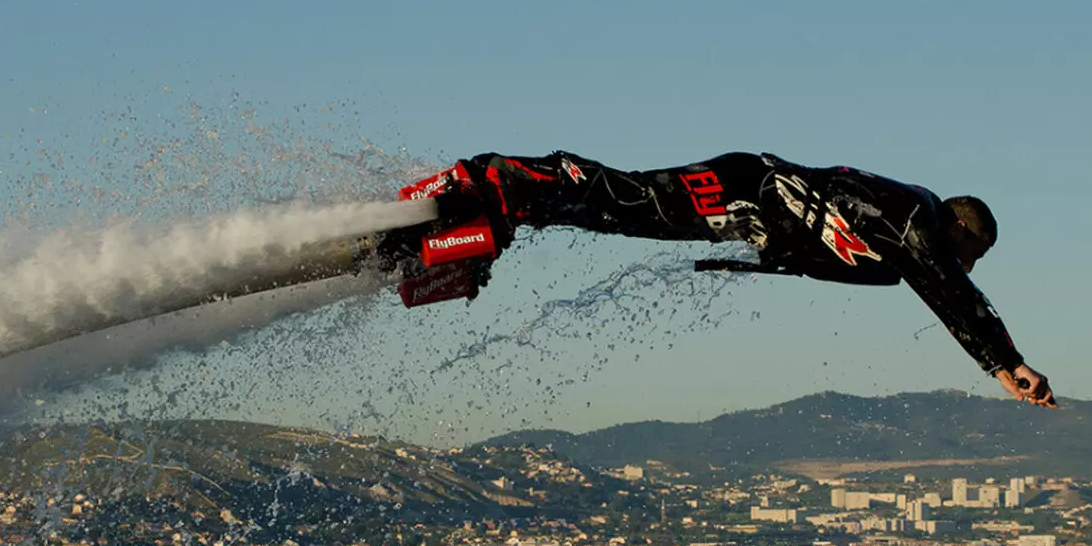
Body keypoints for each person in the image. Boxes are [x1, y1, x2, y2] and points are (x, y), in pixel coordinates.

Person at [428, 150, 1057, 408]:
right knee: (631, 200)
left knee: (622, 220)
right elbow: (949, 290)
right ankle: (502, 176)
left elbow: (939, 280)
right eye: (972, 254)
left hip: (746, 213)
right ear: (958, 230)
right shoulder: (916, 222)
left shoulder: (908, 235)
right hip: (743, 191)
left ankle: (497, 219)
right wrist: (1006, 362)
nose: (968, 268)